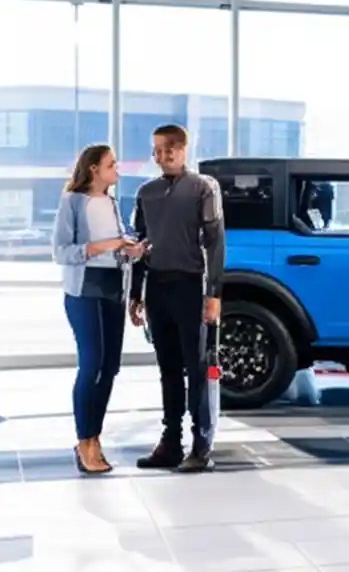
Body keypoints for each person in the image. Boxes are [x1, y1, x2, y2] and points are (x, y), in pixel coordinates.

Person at [127, 124, 225, 473]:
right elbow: (141, 243)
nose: (162, 155)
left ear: (183, 150)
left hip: (190, 286)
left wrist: (214, 294)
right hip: (157, 287)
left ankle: (201, 445)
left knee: (197, 368)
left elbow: (215, 242)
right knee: (167, 368)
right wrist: (135, 293)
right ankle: (171, 442)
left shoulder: (204, 187)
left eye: (169, 149)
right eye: (157, 150)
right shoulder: (147, 192)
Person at [52, 144, 144, 475]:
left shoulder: (112, 203)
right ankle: (83, 440)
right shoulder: (72, 202)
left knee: (110, 367)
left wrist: (131, 249)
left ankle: (94, 439)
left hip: (113, 289)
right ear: (94, 169)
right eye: (111, 164)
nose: (117, 169)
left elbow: (117, 248)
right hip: (84, 291)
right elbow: (62, 252)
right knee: (91, 365)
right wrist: (109, 244)